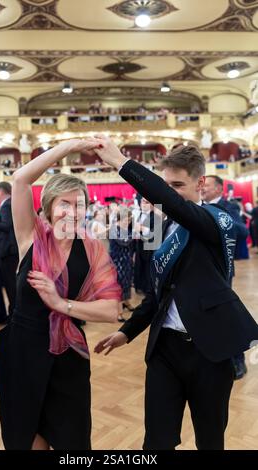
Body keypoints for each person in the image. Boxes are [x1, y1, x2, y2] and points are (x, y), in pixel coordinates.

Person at [92, 137, 258, 450]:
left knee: (210, 440)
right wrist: (127, 332)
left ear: (202, 183)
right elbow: (159, 294)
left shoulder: (213, 221)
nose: (169, 194)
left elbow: (177, 206)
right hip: (165, 350)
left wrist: (120, 163)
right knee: (156, 440)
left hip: (210, 349)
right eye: (165, 185)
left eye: (177, 185)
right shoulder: (160, 227)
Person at [0, 138, 121, 450]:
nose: (73, 211)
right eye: (64, 203)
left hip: (68, 357)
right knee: (26, 437)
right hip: (22, 352)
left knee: (72, 441)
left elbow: (110, 311)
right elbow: (21, 179)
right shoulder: (30, 236)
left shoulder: (93, 251)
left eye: (80, 204)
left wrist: (59, 303)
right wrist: (70, 146)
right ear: (49, 206)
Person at [201, 175, 249, 379]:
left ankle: (238, 360)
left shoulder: (227, 206)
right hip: (201, 269)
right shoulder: (197, 206)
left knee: (226, 314)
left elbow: (242, 231)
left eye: (208, 185)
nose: (203, 188)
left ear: (219, 189)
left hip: (221, 270)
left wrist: (217, 218)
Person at [0, 182, 18, 317]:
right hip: (7, 251)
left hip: (7, 252)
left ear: (1, 191)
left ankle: (14, 316)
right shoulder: (7, 204)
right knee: (10, 285)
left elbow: (6, 226)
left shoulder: (7, 204)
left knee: (11, 286)